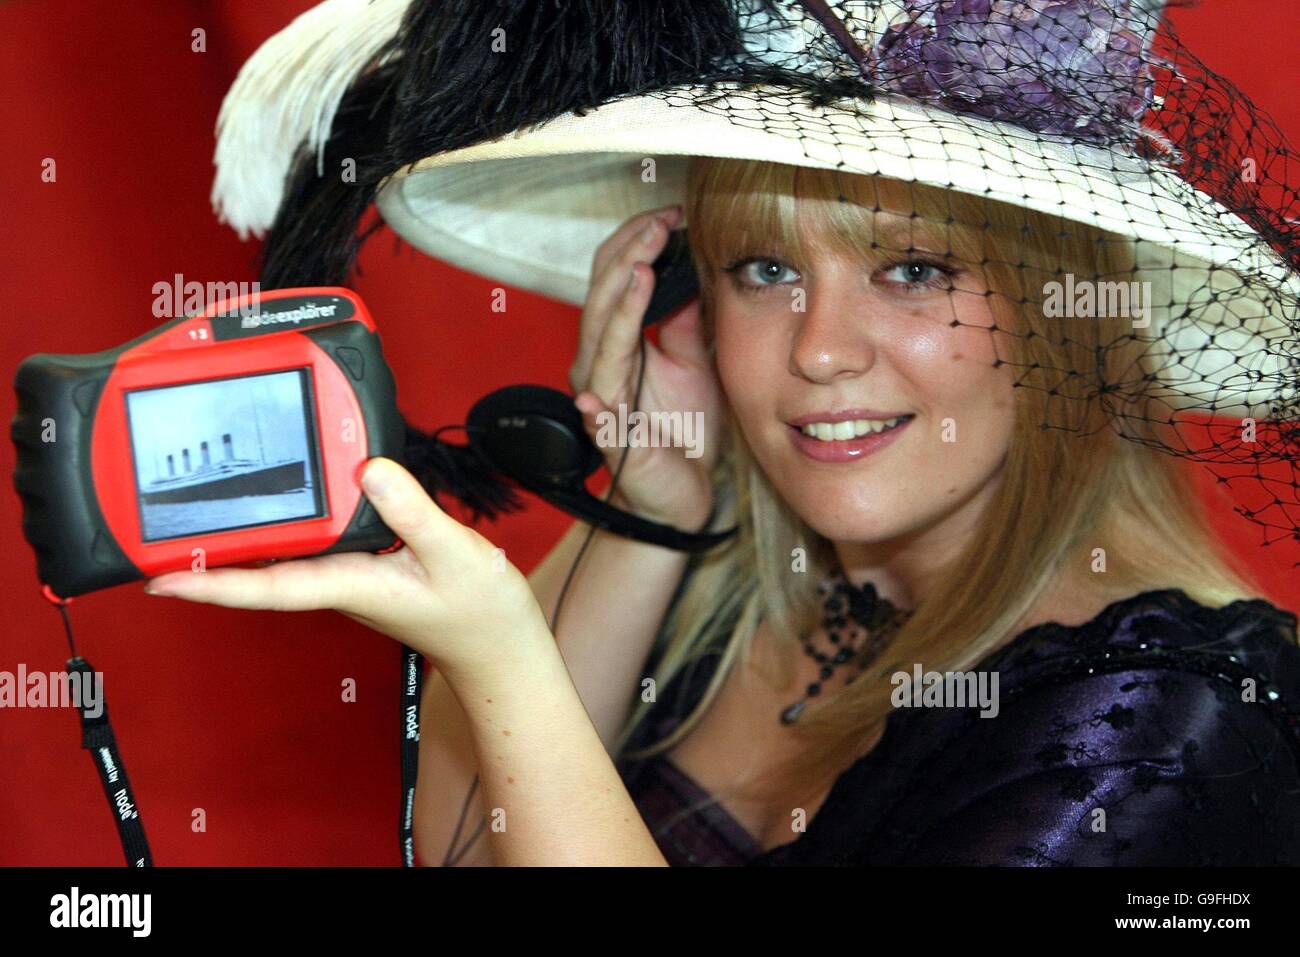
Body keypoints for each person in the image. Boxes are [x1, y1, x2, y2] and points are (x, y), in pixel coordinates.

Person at [196, 0, 1300, 865]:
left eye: (913, 272)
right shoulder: (726, 579)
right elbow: (460, 849)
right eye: (763, 271)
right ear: (685, 294)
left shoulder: (1156, 720)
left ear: (1065, 326)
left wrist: (507, 662)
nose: (818, 350)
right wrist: (643, 516)